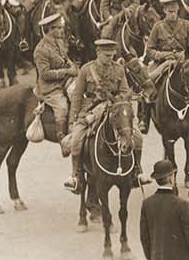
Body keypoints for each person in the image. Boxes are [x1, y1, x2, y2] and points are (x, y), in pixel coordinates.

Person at [61, 37, 136, 194]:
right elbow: (77, 96)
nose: (110, 59)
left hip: (114, 108)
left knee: (137, 137)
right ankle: (76, 176)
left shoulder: (119, 69)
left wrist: (116, 101)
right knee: (76, 139)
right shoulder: (86, 70)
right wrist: (73, 120)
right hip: (90, 109)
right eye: (106, 55)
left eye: (112, 55)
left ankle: (136, 172)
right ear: (98, 53)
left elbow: (124, 91)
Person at [142, 0, 189, 135]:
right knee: (148, 85)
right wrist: (163, 55)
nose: (172, 14)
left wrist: (187, 54)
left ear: (178, 10)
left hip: (183, 62)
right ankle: (144, 120)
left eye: (175, 11)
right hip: (163, 63)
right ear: (164, 11)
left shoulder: (186, 25)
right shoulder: (158, 27)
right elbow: (149, 50)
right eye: (170, 11)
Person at [32, 12, 77, 141]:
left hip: (65, 81)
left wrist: (72, 66)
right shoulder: (41, 50)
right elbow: (45, 74)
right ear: (50, 30)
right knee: (62, 108)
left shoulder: (59, 42)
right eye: (59, 28)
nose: (62, 31)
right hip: (51, 87)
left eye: (61, 27)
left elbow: (65, 58)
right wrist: (67, 71)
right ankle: (62, 137)